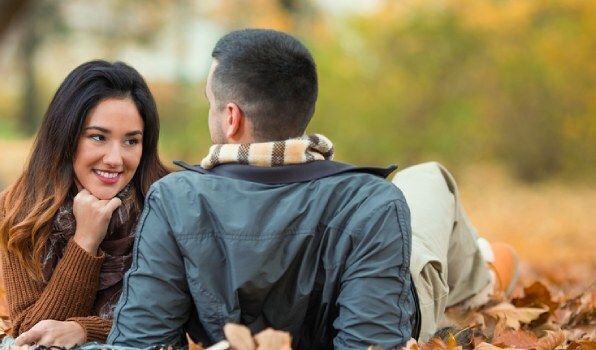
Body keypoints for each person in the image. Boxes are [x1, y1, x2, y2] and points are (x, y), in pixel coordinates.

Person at [107, 29, 519, 349]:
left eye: (210, 103)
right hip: (397, 292)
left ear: (231, 118)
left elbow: (140, 339)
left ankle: (481, 274)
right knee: (428, 177)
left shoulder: (173, 198)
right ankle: (483, 279)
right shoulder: (373, 201)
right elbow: (373, 341)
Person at [0, 60, 168, 347]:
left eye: (131, 141)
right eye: (98, 137)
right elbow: (29, 333)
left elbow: (166, 320)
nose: (115, 159)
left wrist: (84, 329)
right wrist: (85, 241)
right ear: (67, 136)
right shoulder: (24, 205)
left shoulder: (166, 203)